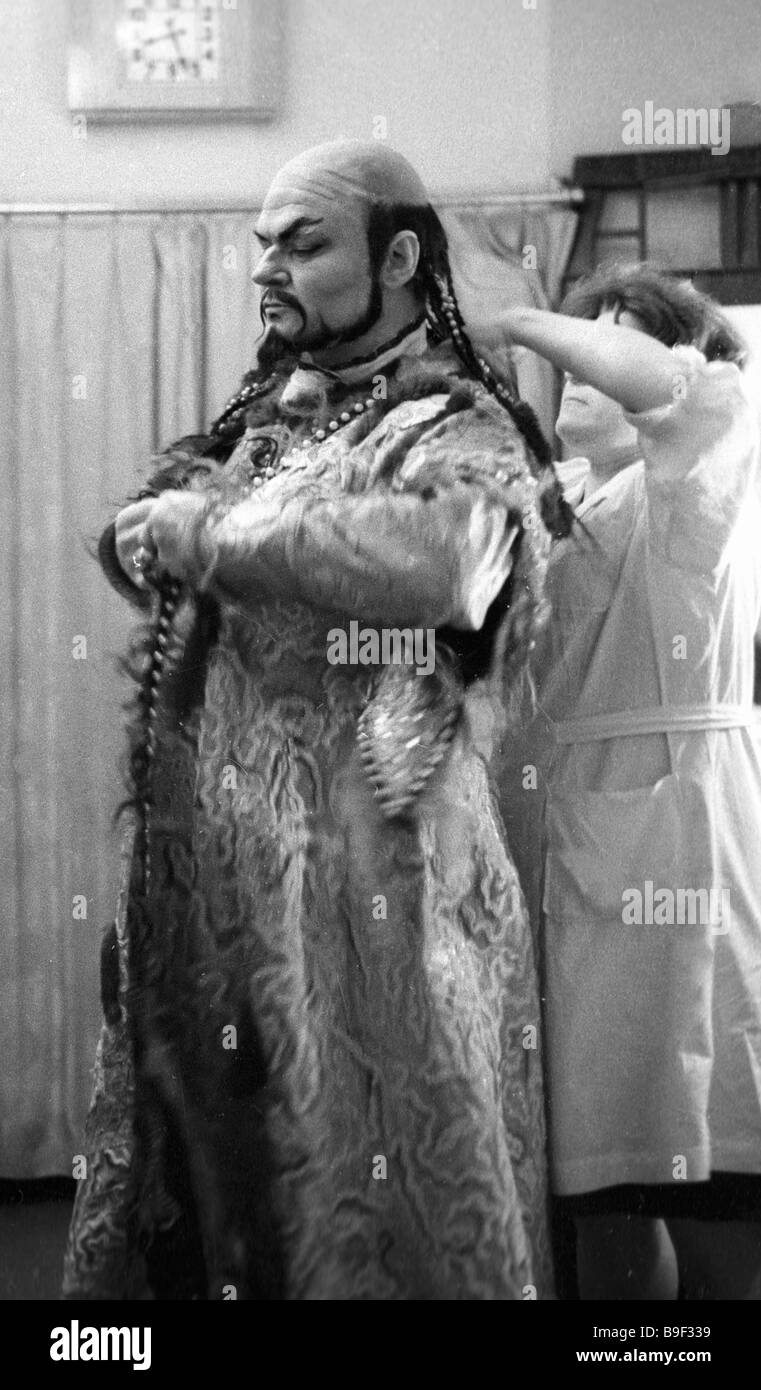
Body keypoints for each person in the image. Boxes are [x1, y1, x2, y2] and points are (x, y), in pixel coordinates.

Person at [62, 140, 568, 1301]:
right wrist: (146, 537)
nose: (265, 269)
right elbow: (175, 541)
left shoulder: (454, 418)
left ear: (395, 256)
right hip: (217, 882)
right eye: (260, 245)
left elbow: (457, 555)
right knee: (215, 1203)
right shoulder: (275, 424)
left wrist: (214, 536)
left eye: (302, 242)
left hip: (365, 890)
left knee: (362, 1199)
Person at [492, 264, 761, 1300]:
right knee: (602, 1199)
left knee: (702, 1177)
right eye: (567, 341)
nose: (576, 363)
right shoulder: (551, 500)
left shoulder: (693, 484)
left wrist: (516, 315)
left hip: (677, 848)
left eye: (600, 342)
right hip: (566, 848)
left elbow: (680, 391)